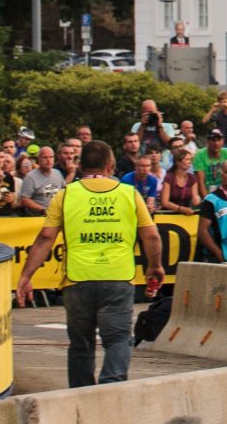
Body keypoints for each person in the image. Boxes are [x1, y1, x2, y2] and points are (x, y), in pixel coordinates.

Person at [15, 139, 163, 386]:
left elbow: (45, 238)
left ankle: (81, 395)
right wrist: (154, 266)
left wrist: (26, 275)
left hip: (77, 280)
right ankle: (110, 387)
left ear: (80, 165)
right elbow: (151, 236)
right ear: (111, 165)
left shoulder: (66, 195)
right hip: (118, 277)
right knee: (117, 339)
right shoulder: (129, 194)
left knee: (81, 344)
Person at [18, 145, 64, 216]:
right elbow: (24, 200)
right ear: (39, 159)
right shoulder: (31, 177)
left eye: (51, 157)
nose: (48, 160)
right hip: (36, 218)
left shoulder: (57, 173)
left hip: (56, 215)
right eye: (45, 157)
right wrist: (43, 209)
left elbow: (64, 191)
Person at [193, 127, 227, 194]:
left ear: (223, 141)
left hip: (224, 192)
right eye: (213, 140)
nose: (216, 143)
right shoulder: (199, 155)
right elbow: (201, 182)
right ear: (207, 141)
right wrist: (207, 201)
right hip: (207, 190)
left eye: (219, 140)